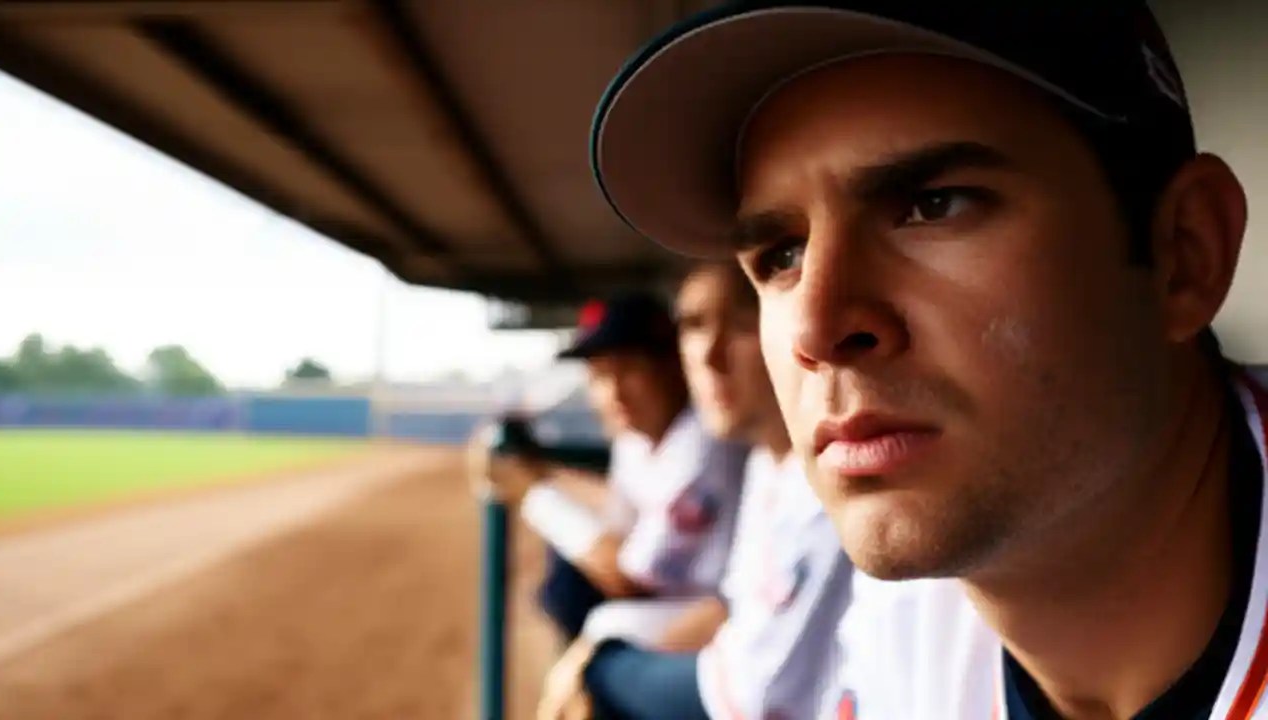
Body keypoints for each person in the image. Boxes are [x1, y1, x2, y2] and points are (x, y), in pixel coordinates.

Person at [590, 2, 1261, 718]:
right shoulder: (901, 618)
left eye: (934, 205)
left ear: (1183, 256)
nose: (815, 328)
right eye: (781, 255)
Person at [538, 263, 851, 720]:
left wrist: (598, 665)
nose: (709, 354)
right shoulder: (765, 460)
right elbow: (729, 611)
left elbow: (753, 698)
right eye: (694, 326)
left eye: (742, 322)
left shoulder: (826, 474)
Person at [473, 291, 747, 643]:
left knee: (600, 630)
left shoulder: (704, 441)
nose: (615, 392)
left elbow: (630, 579)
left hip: (726, 621)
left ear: (673, 367)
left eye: (629, 370)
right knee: (568, 582)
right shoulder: (636, 439)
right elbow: (620, 526)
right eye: (600, 375)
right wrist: (544, 476)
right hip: (685, 607)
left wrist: (534, 495)